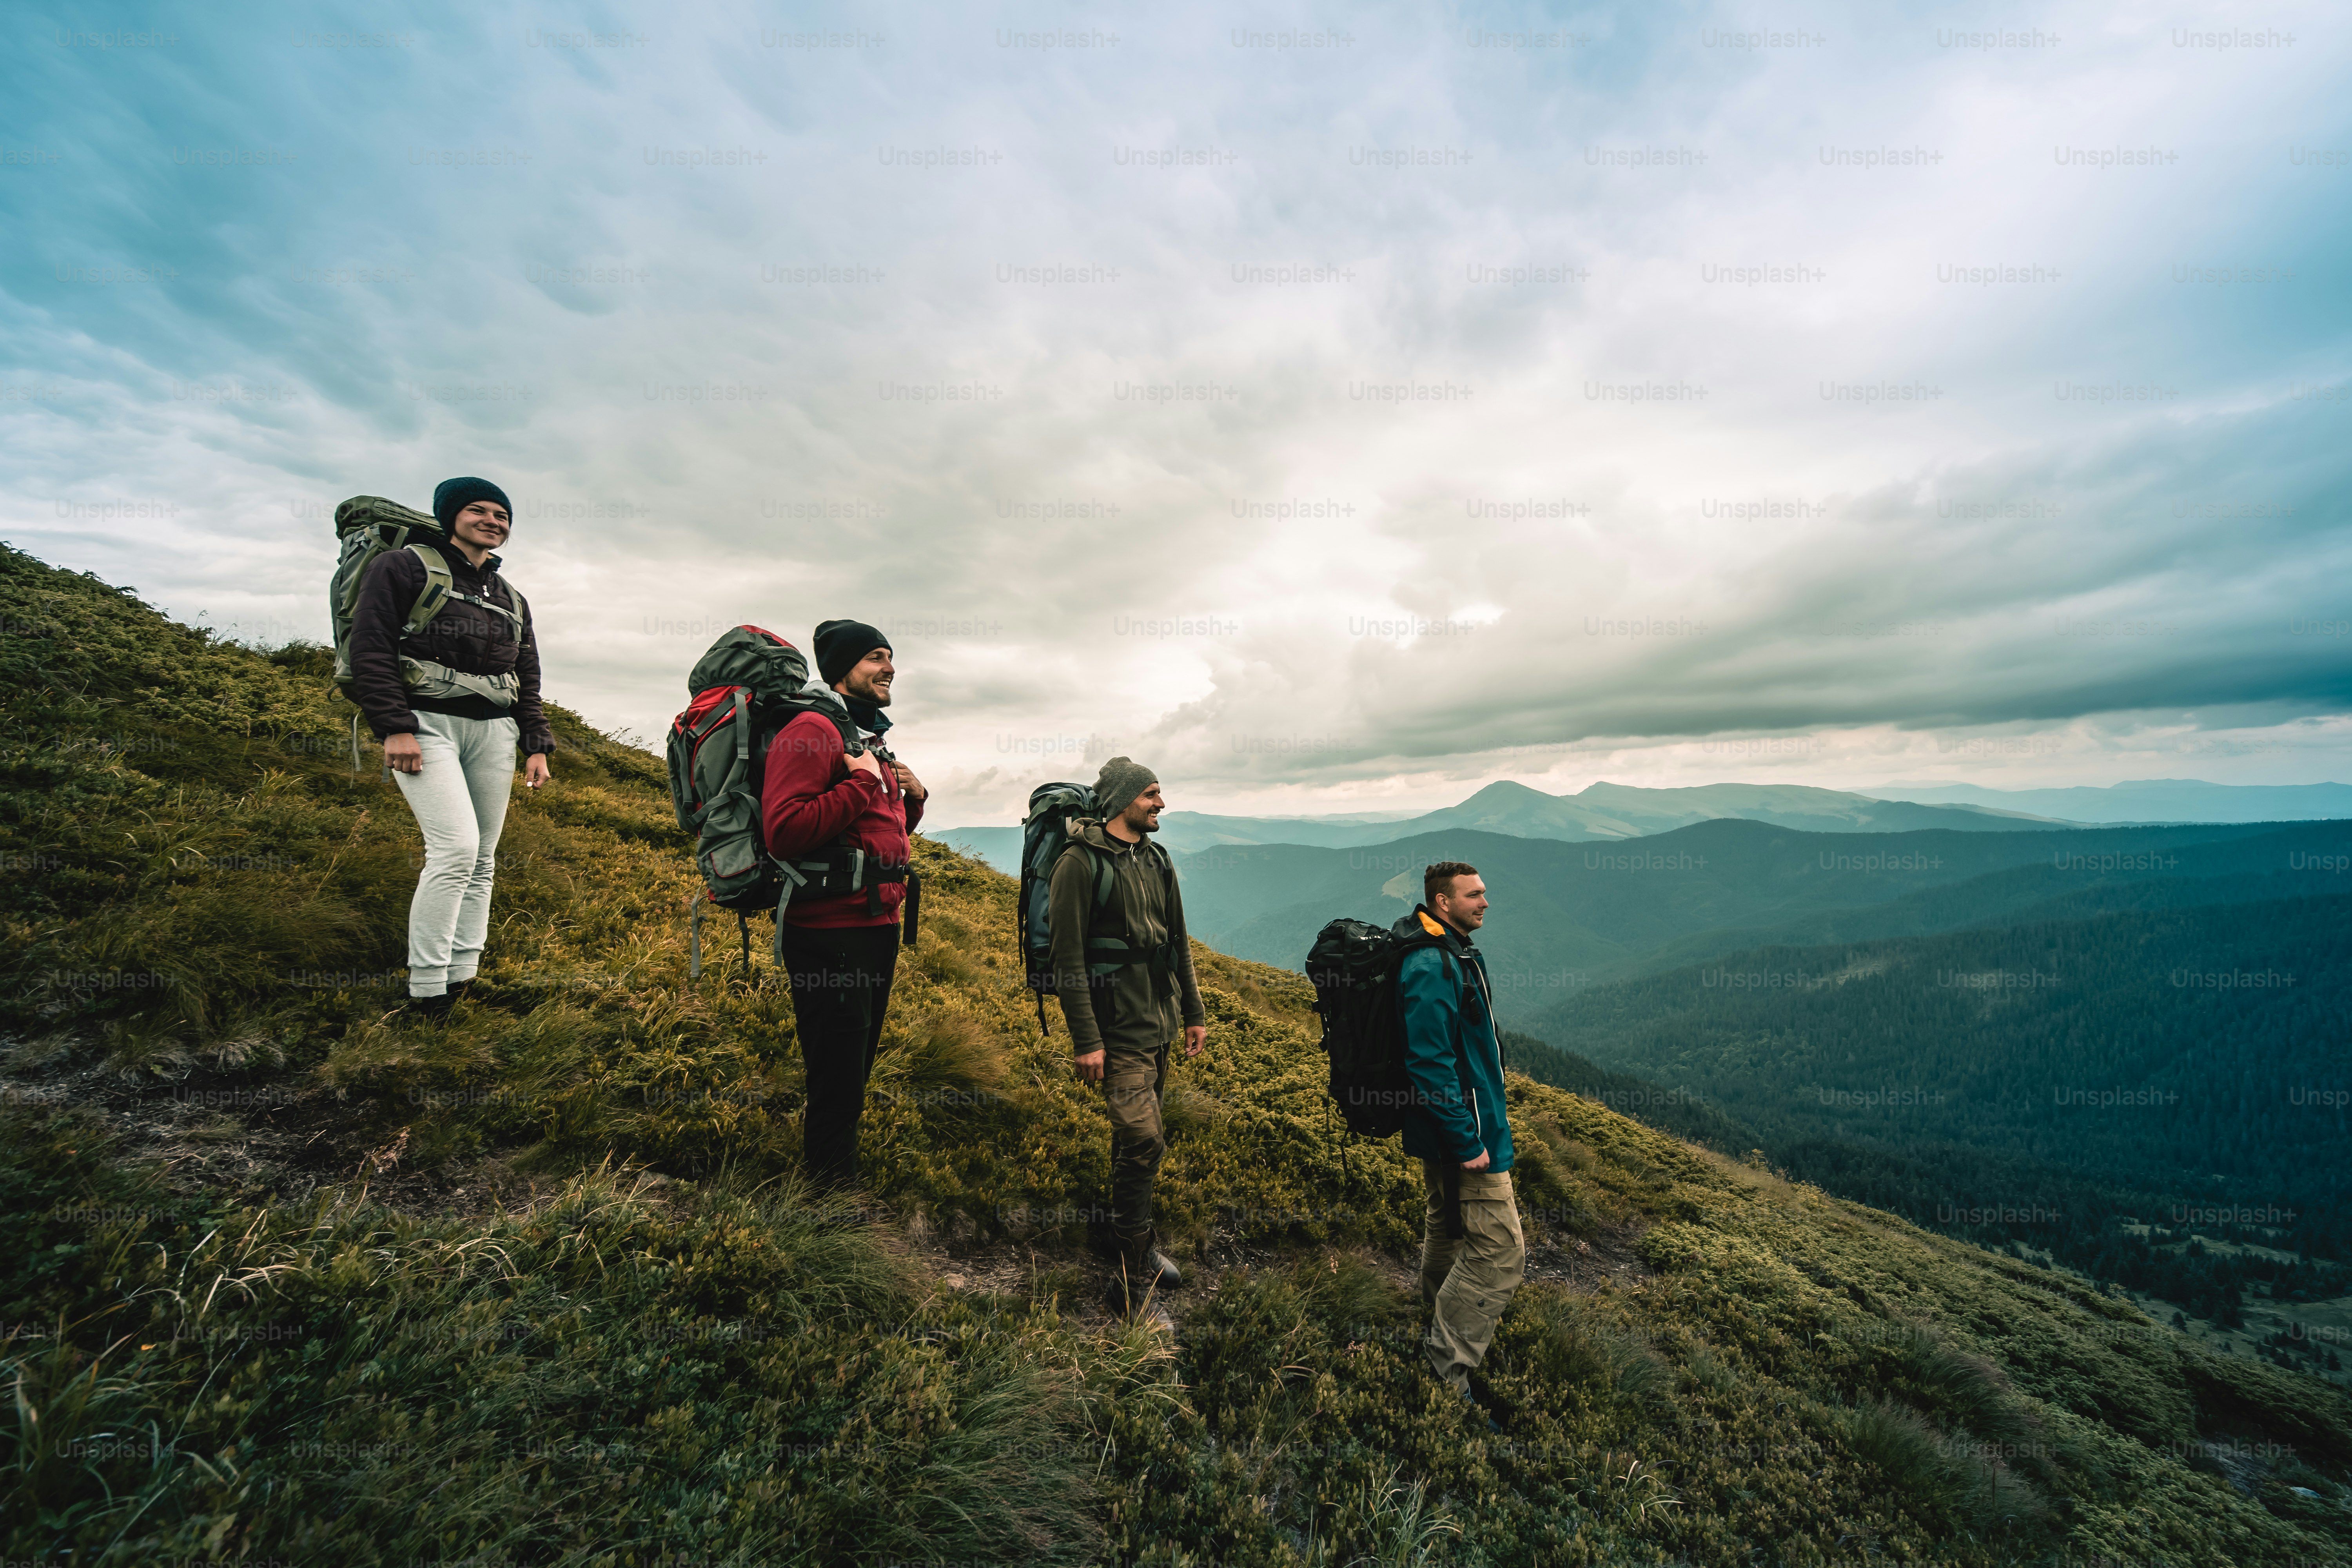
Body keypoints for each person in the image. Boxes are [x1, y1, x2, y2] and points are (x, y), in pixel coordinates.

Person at [350, 476, 554, 1018]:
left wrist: (536, 743)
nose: (493, 521)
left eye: (502, 515)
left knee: (484, 859)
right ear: (450, 516)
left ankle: (463, 975)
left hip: (495, 731)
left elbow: (527, 674)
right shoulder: (402, 568)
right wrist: (394, 726)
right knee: (456, 851)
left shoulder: (512, 596)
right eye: (478, 511)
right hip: (427, 725)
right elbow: (369, 645)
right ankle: (426, 990)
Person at [760, 619, 925, 1191]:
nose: (890, 668)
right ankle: (830, 1195)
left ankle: (835, 1174)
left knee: (855, 1063)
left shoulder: (862, 737)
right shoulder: (811, 728)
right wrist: (859, 784)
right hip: (830, 929)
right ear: (842, 668)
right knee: (837, 1068)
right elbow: (785, 830)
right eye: (877, 657)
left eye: (891, 657)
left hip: (875, 924)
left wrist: (914, 799)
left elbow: (880, 833)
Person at [1049, 757, 1208, 1324]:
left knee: (1132, 1144)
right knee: (1144, 1140)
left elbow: (1179, 943)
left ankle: (1124, 1239)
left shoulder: (1155, 858)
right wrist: (1086, 1038)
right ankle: (1129, 1274)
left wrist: (1194, 1011)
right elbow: (1066, 958)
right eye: (1150, 794)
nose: (1160, 803)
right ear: (1121, 801)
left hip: (1159, 1021)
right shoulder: (1078, 863)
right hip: (1116, 1030)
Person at [1399, 860, 1521, 1423]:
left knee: (1447, 1227)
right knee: (1500, 1253)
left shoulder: (1454, 952)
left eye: (1485, 891)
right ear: (1442, 902)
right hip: (1466, 1137)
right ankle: (1447, 1372)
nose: (1486, 902)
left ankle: (1432, 1320)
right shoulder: (1433, 963)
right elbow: (1429, 1062)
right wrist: (1467, 1140)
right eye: (1474, 894)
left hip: (1459, 1128)